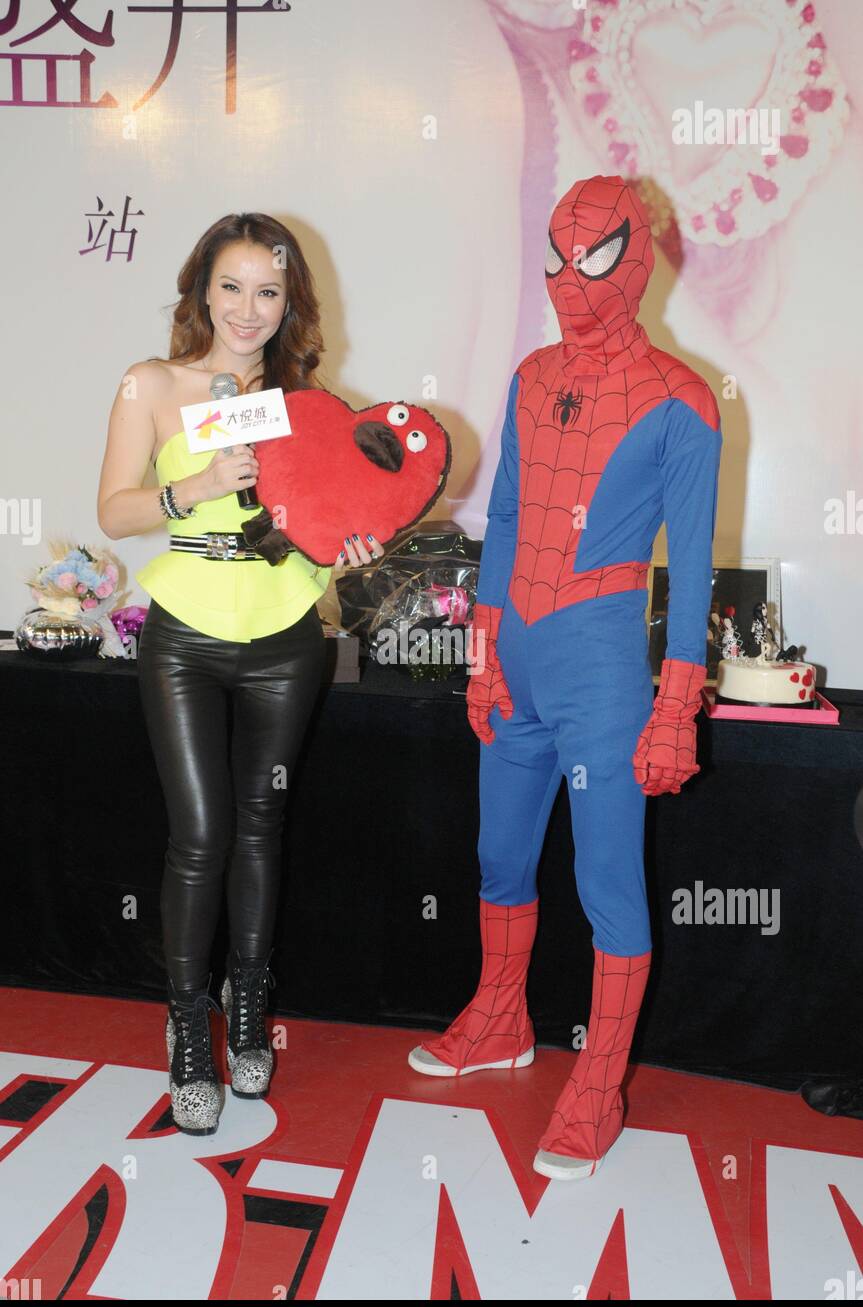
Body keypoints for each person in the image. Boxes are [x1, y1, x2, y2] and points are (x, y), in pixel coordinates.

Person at [409, 175, 722, 1181]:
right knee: (498, 856)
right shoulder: (531, 373)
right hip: (522, 665)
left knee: (605, 884)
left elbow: (693, 564)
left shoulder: (681, 399)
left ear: (634, 260)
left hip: (599, 670)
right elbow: (502, 516)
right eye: (554, 253)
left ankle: (599, 1081)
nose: (566, 277)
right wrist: (481, 647)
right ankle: (500, 1015)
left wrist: (675, 703)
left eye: (590, 255)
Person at [97, 212, 381, 1136]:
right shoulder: (150, 384)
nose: (248, 309)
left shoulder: (310, 403)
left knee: (262, 822)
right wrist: (198, 484)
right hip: (183, 632)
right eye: (232, 286)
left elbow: (330, 526)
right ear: (201, 290)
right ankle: (189, 1031)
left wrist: (357, 546)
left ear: (289, 301)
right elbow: (114, 509)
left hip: (286, 632)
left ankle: (249, 1003)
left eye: (269, 291)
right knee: (201, 832)